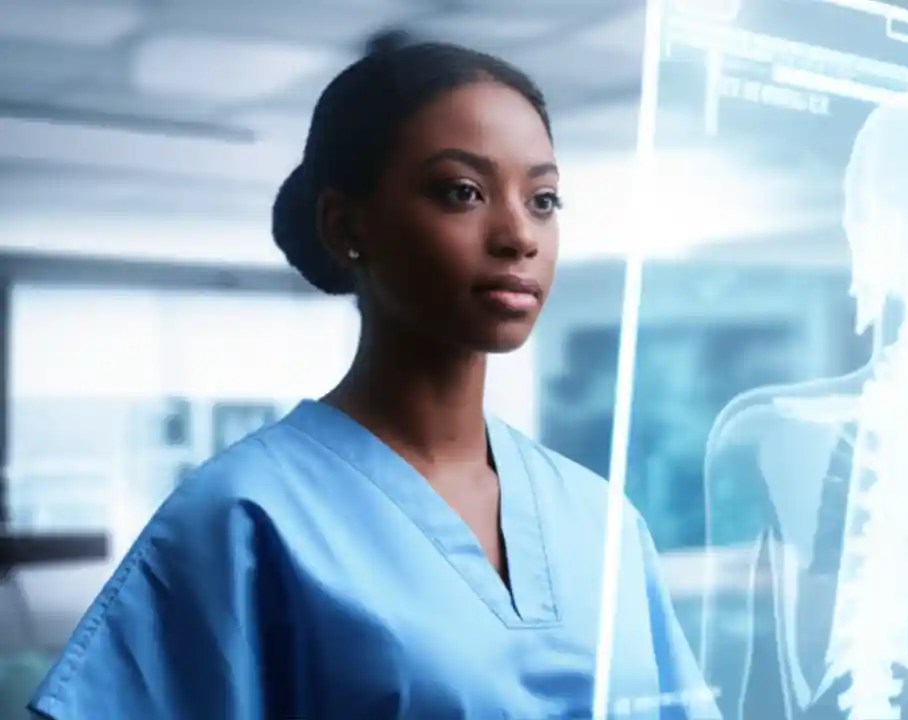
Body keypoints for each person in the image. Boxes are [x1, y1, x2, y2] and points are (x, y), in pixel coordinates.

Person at [28, 40, 715, 720]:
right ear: (344, 225)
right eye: (462, 192)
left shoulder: (600, 522)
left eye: (543, 199)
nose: (519, 236)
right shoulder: (246, 516)